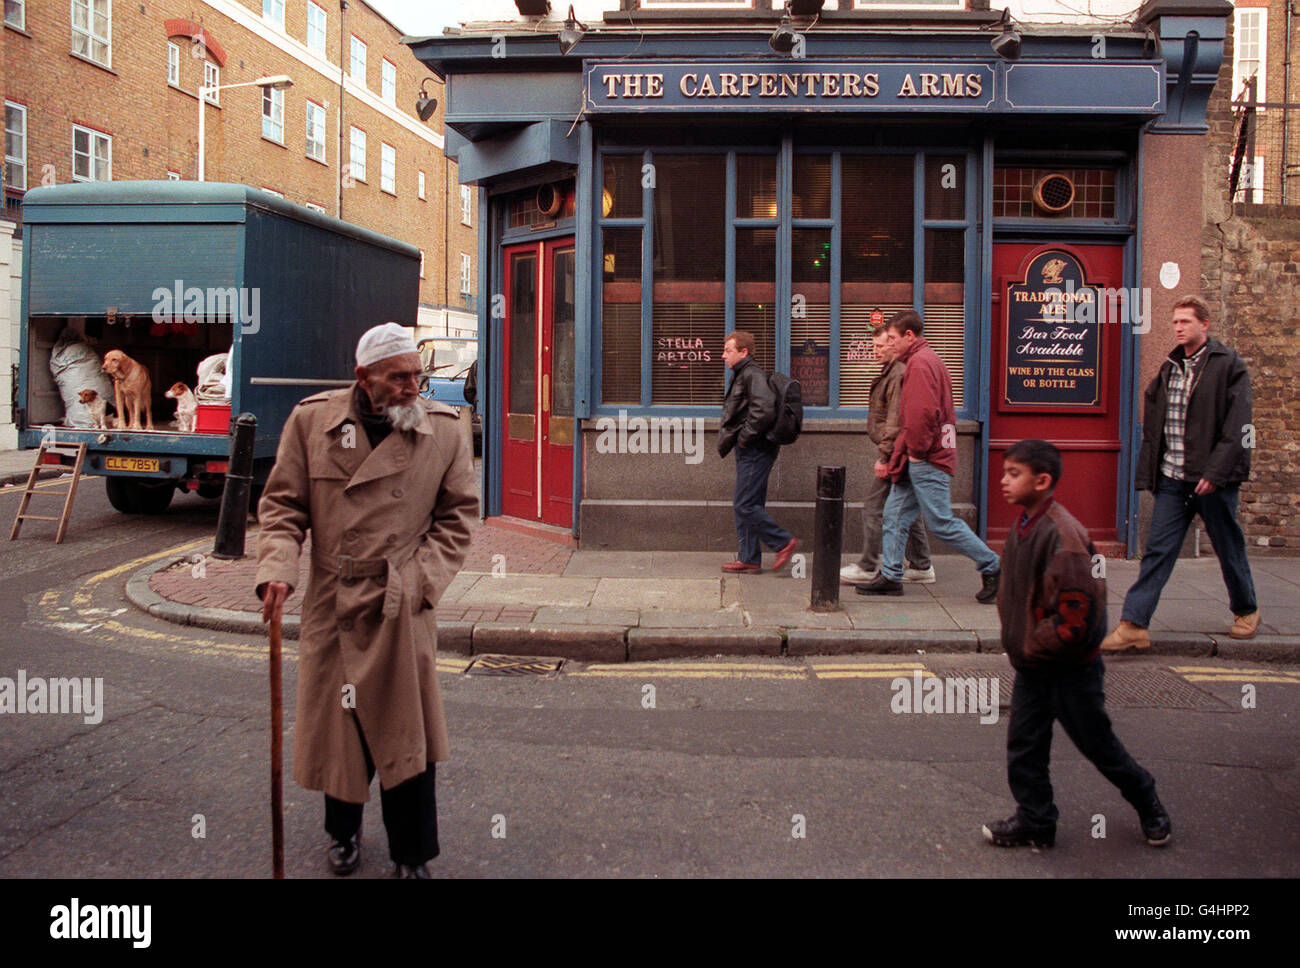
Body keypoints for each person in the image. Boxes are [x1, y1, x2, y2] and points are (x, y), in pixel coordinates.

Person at [256, 322, 479, 878]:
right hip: (332, 599)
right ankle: (343, 834)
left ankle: (411, 855)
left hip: (399, 602)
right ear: (364, 377)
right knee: (343, 730)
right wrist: (278, 569)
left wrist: (422, 582)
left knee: (408, 737)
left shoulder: (446, 430)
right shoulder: (313, 421)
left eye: (417, 376)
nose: (411, 388)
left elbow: (458, 518)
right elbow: (283, 506)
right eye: (398, 377)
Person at [984, 439, 1170, 849]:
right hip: (1033, 666)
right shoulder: (1024, 524)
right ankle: (1036, 821)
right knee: (1025, 746)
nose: (1003, 481)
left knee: (1098, 746)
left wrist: (1034, 644)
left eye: (1014, 474)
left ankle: (1146, 797)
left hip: (1069, 671)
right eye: (1004, 472)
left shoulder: (1063, 536)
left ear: (1042, 480)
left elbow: (1077, 619)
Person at [1103, 295, 1260, 651]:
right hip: (1174, 478)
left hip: (1212, 481)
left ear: (1204, 325)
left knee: (1227, 546)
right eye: (1174, 322)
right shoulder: (1171, 367)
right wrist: (1152, 471)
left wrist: (1216, 472)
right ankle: (1133, 624)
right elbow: (1157, 423)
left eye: (1185, 322)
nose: (1177, 328)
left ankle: (1247, 610)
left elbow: (1238, 427)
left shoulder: (1228, 365)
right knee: (1158, 549)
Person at [856, 310, 1000, 602]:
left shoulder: (920, 365)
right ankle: (891, 575)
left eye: (893, 338)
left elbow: (921, 416)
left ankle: (993, 565)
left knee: (941, 522)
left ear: (910, 336)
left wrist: (917, 454)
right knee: (894, 516)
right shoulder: (926, 360)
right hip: (916, 456)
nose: (890, 344)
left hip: (925, 458)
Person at [840, 325, 934, 585]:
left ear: (895, 344)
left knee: (873, 507)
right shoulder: (894, 371)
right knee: (907, 510)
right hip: (901, 451)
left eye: (880, 346)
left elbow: (895, 420)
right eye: (874, 346)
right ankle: (922, 565)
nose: (875, 351)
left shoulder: (899, 374)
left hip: (897, 452)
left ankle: (869, 565)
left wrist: (884, 457)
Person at [717, 330, 797, 574]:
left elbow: (763, 410)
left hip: (755, 449)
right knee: (751, 502)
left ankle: (782, 541)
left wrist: (744, 439)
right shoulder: (744, 374)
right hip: (753, 448)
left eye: (728, 350)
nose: (723, 356)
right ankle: (749, 557)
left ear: (744, 352)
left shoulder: (752, 374)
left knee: (744, 504)